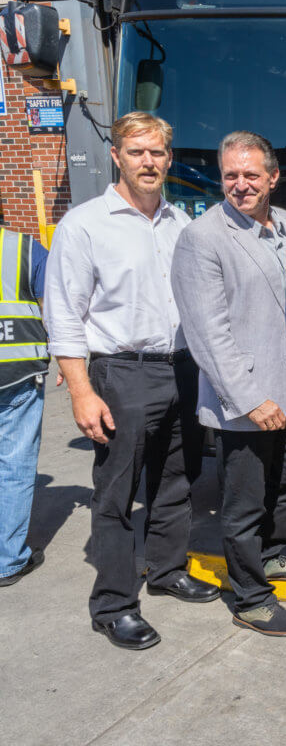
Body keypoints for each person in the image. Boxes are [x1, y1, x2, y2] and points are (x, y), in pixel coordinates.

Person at [44, 112, 220, 650]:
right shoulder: (85, 224)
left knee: (177, 480)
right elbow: (63, 314)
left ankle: (166, 571)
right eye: (137, 152)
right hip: (122, 372)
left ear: (169, 158)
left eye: (157, 152)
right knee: (116, 492)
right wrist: (81, 390)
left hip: (182, 368)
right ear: (116, 156)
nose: (148, 162)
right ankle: (114, 604)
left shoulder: (180, 223)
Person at [171, 131, 286, 638]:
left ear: (273, 178)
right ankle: (251, 597)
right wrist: (250, 400)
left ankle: (270, 555)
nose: (240, 185)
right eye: (230, 175)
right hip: (246, 397)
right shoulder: (202, 238)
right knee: (244, 501)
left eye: (251, 175)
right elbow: (207, 334)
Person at [0, 225, 50, 588]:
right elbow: (55, 306)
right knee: (14, 466)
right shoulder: (24, 249)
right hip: (17, 371)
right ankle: (7, 560)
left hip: (18, 371)